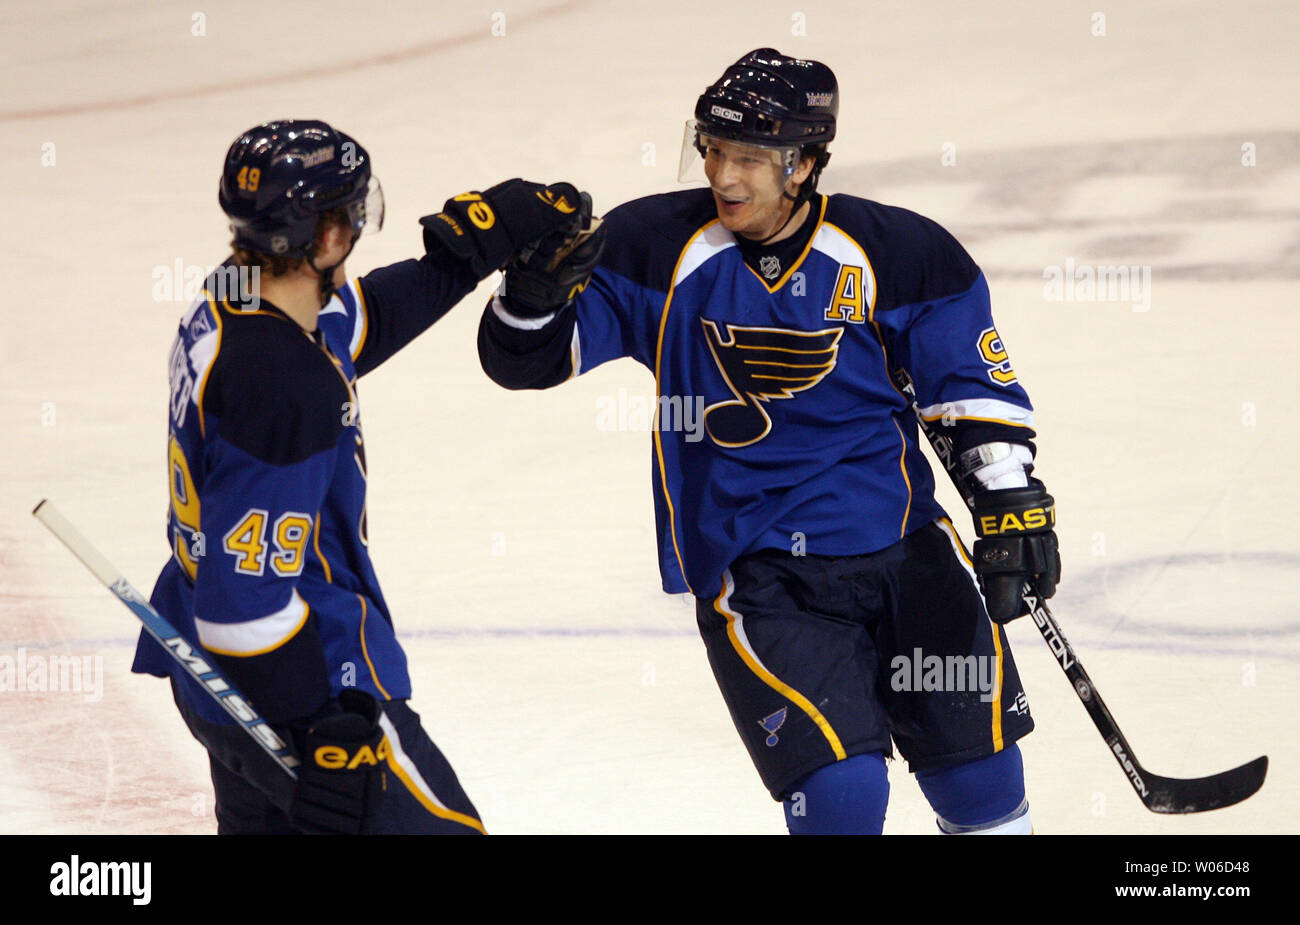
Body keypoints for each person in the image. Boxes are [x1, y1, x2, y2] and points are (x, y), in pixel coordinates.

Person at [477, 50, 1061, 834]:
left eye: (750, 157)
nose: (724, 175)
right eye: (714, 149)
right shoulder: (654, 246)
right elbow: (527, 360)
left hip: (907, 549)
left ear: (807, 162)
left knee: (981, 783)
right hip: (765, 574)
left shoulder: (901, 253)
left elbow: (969, 390)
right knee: (841, 798)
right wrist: (530, 297)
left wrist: (1010, 498)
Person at [132, 119, 589, 834]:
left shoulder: (226, 299)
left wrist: (470, 254)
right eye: (349, 215)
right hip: (298, 682)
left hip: (208, 679)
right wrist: (329, 726)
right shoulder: (286, 391)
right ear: (325, 236)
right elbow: (242, 606)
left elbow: (356, 320)